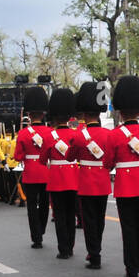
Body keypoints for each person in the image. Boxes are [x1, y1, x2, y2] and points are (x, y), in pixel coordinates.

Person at [110, 75, 139, 277]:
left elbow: (108, 163)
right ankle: (137, 260)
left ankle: (132, 268)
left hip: (124, 185)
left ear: (120, 111)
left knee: (128, 228)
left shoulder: (114, 135)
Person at [72, 82, 114, 270]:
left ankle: (94, 253)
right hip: (103, 181)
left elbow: (69, 156)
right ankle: (97, 248)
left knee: (89, 220)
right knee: (100, 218)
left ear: (84, 113)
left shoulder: (80, 136)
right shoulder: (108, 134)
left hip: (87, 182)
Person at [42, 88, 80, 259]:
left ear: (54, 116)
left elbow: (43, 160)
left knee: (60, 215)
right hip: (73, 178)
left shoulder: (50, 137)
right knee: (71, 214)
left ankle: (63, 249)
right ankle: (70, 246)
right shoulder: (76, 134)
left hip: (56, 178)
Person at [13, 87, 52, 248]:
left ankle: (36, 237)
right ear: (43, 114)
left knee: (31, 206)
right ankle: (41, 229)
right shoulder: (50, 132)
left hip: (30, 172)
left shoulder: (23, 133)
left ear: (29, 115)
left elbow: (17, 156)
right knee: (44, 204)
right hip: (46, 172)